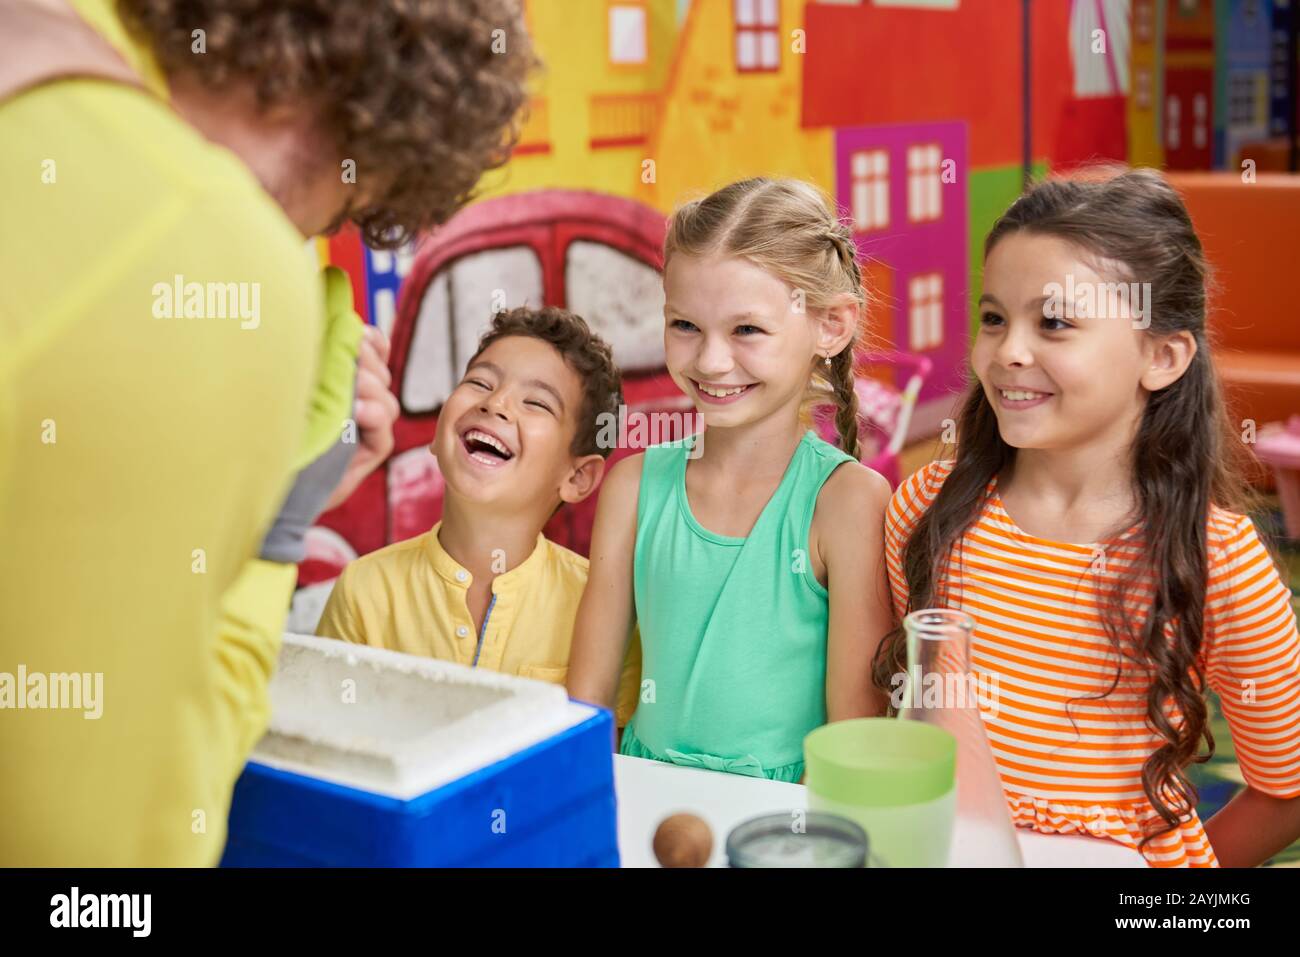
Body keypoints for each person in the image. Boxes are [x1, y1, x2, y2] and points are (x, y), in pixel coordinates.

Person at [0, 0, 535, 865]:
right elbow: (106, 866)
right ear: (364, 114)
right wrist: (271, 531)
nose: (309, 242)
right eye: (340, 212)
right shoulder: (214, 250)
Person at [880, 168, 1300, 867]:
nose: (1008, 350)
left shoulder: (1219, 558)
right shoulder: (928, 509)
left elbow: (1286, 789)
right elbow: (909, 720)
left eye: (1054, 322)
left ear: (1161, 356)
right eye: (993, 317)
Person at [567, 178, 893, 782]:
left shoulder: (849, 503)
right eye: (685, 325)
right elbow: (585, 705)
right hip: (646, 802)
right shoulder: (633, 486)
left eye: (747, 330)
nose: (711, 362)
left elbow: (854, 738)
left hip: (786, 823)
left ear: (831, 326)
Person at [317, 307, 642, 726]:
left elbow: (610, 766)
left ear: (577, 477)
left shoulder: (601, 609)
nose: (496, 403)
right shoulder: (364, 590)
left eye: (537, 403)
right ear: (438, 432)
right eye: (480, 383)